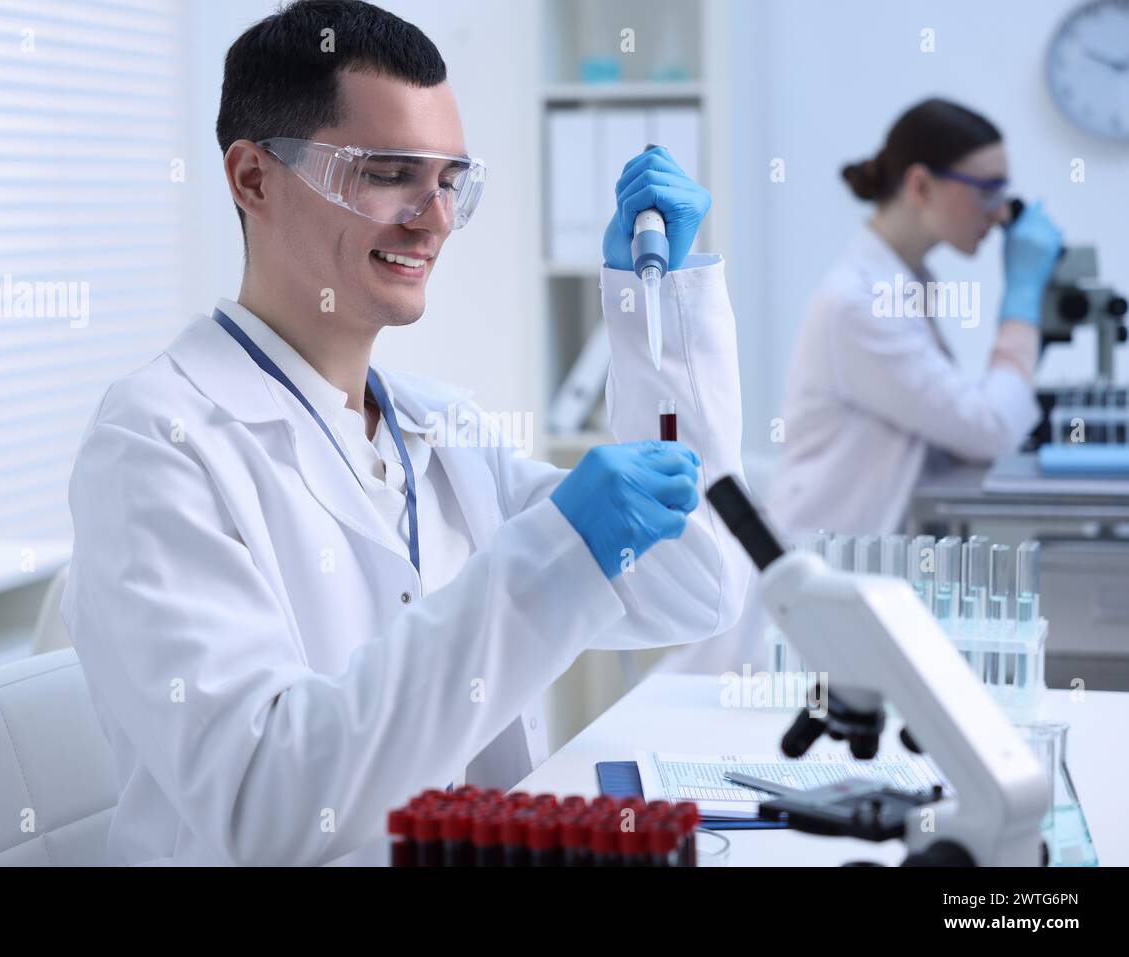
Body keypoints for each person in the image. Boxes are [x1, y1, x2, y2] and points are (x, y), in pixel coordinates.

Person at [61, 0, 750, 866]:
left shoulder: (441, 427)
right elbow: (270, 804)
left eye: (451, 179)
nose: (434, 217)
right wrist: (554, 554)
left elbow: (691, 586)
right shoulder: (157, 443)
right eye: (388, 172)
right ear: (253, 180)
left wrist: (655, 302)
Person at [767, 98, 1065, 536]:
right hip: (826, 567)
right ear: (921, 186)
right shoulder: (859, 304)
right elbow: (991, 429)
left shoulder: (907, 283)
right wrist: (1022, 301)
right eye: (987, 190)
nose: (1000, 212)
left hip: (871, 554)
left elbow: (961, 433)